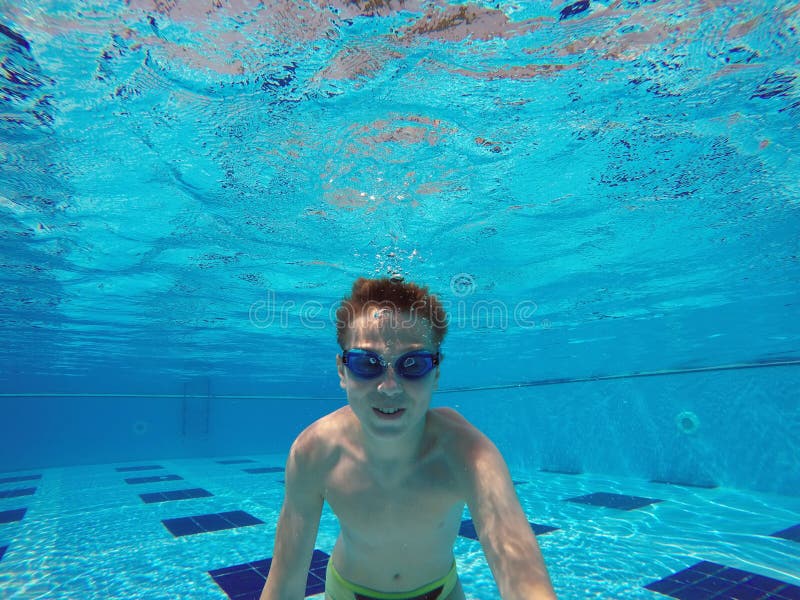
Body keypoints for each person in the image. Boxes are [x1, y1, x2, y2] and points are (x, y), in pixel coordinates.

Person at [260, 277, 556, 600]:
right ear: (342, 372)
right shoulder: (314, 452)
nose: (389, 387)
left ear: (436, 373)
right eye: (366, 364)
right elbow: (285, 584)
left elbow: (523, 577)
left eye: (412, 365)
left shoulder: (469, 455)